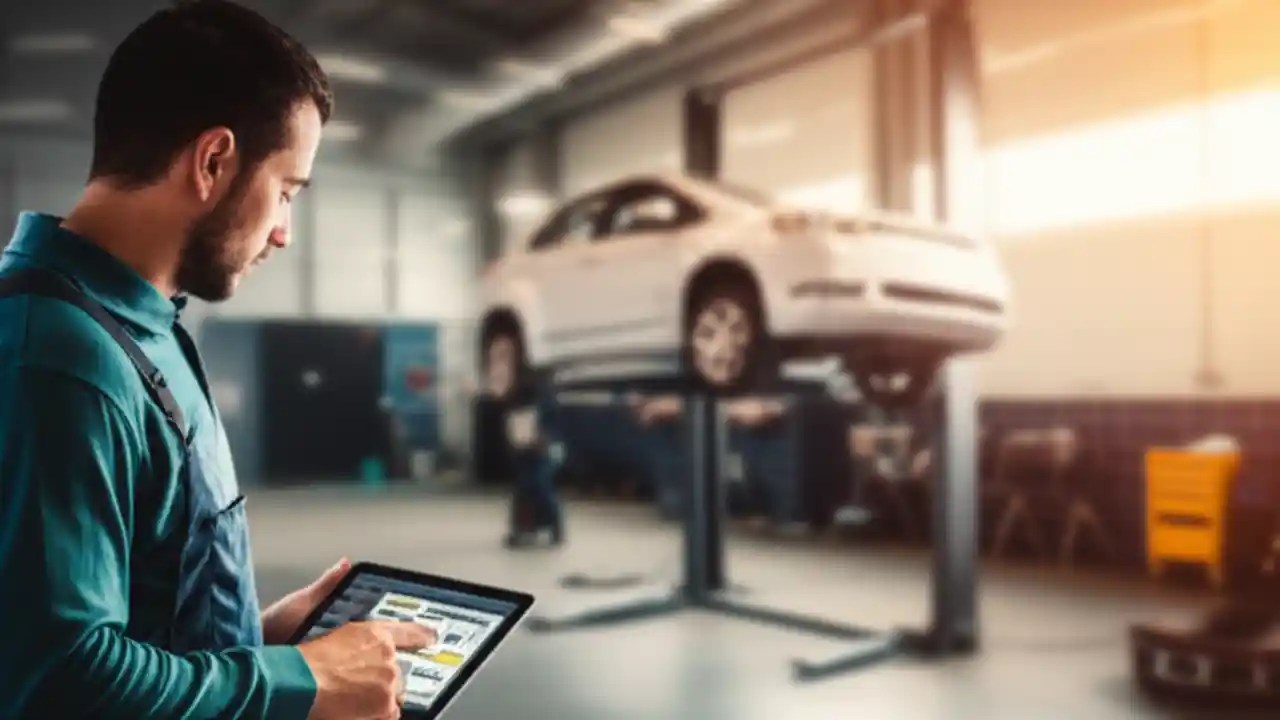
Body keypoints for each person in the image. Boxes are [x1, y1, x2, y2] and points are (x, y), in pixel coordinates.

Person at [0, 2, 433, 718]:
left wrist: (269, 645)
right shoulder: (55, 356)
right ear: (212, 162)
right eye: (286, 191)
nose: (285, 233)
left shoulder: (141, 330)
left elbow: (140, 621)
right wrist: (300, 682)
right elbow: (59, 678)